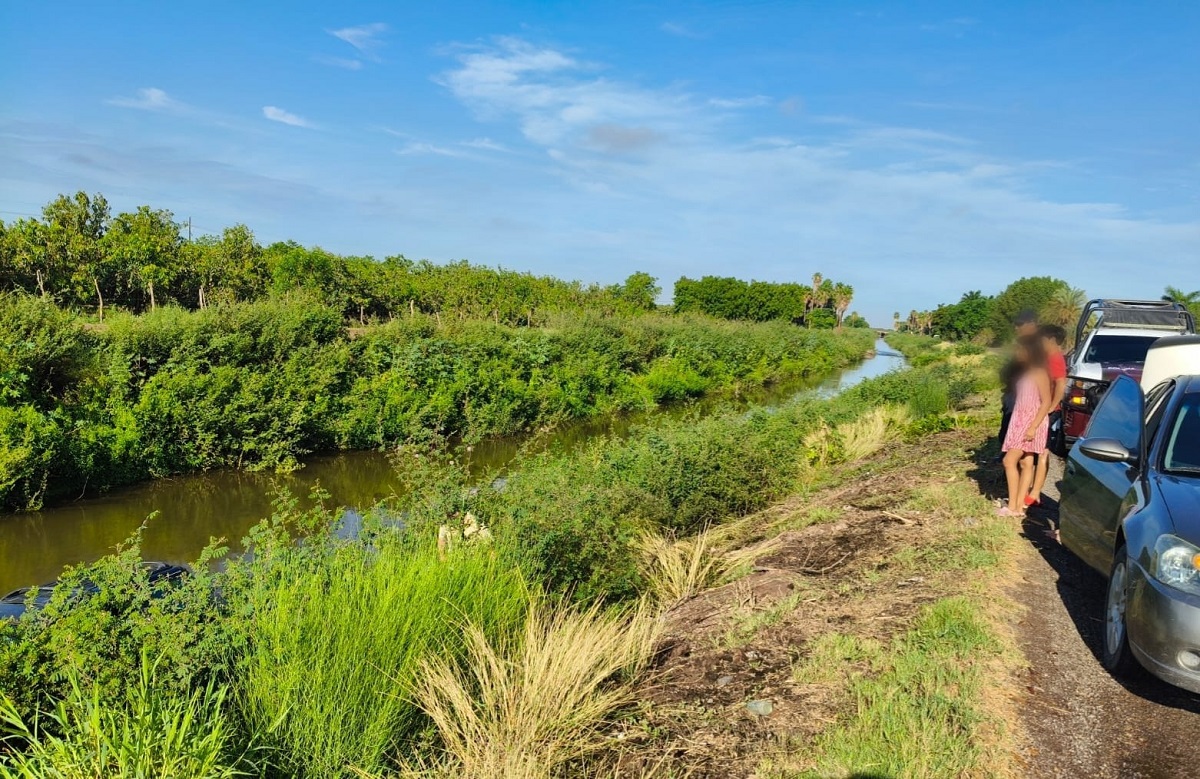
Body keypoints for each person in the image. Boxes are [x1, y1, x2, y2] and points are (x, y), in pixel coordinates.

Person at [1000, 335, 1054, 518]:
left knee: (1009, 461)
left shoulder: (1039, 372)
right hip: (1019, 420)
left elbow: (1046, 401)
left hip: (1031, 422)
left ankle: (1014, 505)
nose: (1017, 353)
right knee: (1025, 461)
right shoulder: (1026, 372)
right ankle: (1017, 506)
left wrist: (1033, 427)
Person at [1026, 324, 1068, 507]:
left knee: (1043, 452)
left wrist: (1051, 407)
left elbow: (1061, 383)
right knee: (1034, 450)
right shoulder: (1046, 358)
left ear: (1050, 339)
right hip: (1040, 409)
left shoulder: (1055, 358)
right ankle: (1030, 488)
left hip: (1050, 411)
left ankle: (1035, 493)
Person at [998, 311, 1040, 447]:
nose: (1016, 327)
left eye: (1019, 324)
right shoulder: (1021, 343)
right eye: (1015, 324)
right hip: (1013, 394)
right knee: (1006, 434)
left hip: (1026, 400)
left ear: (1032, 324)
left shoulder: (1037, 346)